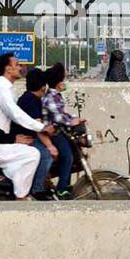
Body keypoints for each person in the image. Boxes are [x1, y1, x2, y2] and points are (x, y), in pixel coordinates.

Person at [0, 52, 53, 200]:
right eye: (17, 65)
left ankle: (14, 190)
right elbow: (16, 114)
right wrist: (41, 127)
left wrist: (14, 138)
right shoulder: (2, 89)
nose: (20, 68)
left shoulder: (5, 87)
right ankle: (21, 196)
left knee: (27, 152)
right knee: (34, 154)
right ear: (8, 69)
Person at [41, 63, 82, 198]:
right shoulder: (51, 96)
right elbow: (58, 117)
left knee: (72, 156)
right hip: (54, 133)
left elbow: (62, 113)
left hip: (60, 132)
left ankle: (65, 185)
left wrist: (76, 119)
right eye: (64, 79)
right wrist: (72, 121)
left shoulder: (57, 95)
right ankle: (61, 189)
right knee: (68, 157)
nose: (66, 82)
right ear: (59, 82)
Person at [16, 67, 58, 199]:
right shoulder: (31, 100)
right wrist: (50, 146)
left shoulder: (30, 98)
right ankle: (37, 189)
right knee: (46, 155)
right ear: (43, 86)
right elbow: (38, 128)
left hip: (30, 137)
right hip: (27, 139)